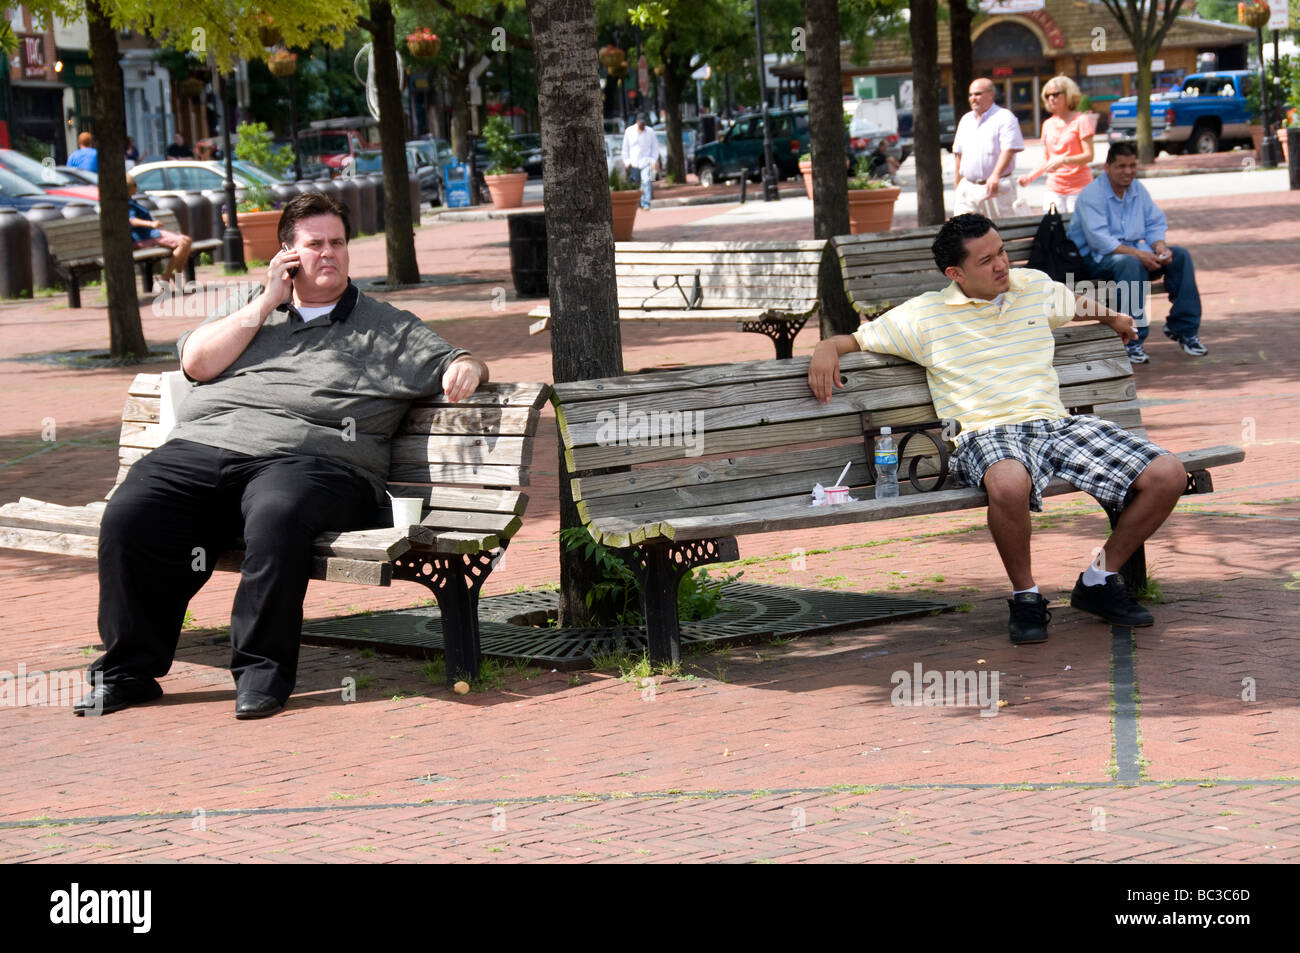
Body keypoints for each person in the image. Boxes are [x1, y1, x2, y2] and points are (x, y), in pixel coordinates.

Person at [75, 192, 488, 720]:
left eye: (337, 243)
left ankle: (261, 675)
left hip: (319, 465)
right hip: (208, 446)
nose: (329, 254)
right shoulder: (252, 309)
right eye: (315, 244)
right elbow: (196, 365)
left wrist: (468, 370)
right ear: (287, 254)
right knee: (134, 511)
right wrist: (265, 302)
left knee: (276, 514)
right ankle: (127, 673)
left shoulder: (385, 327)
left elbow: (461, 357)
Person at [807, 213, 1189, 645]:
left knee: (1168, 473)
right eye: (986, 260)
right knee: (1008, 483)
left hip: (1054, 424)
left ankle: (1099, 580)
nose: (1002, 264)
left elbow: (1072, 303)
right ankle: (1026, 596)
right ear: (956, 273)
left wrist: (1111, 316)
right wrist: (824, 346)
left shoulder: (1034, 288)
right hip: (985, 432)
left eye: (1002, 252)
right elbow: (855, 340)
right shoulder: (925, 317)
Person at [1066, 141, 1207, 365]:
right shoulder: (1091, 194)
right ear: (1107, 167)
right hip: (1094, 261)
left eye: (1132, 165)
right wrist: (1139, 255)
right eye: (1121, 166)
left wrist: (1160, 247)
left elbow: (1154, 223)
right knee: (1128, 263)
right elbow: (1100, 241)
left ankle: (1184, 329)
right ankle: (1133, 339)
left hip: (1132, 256)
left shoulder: (1137, 190)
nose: (1128, 172)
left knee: (1179, 256)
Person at [1017, 75, 1095, 213]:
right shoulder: (1047, 124)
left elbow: (1089, 156)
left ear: (1068, 95)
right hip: (1053, 188)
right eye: (1047, 96)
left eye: (1055, 94)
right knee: (1052, 230)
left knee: (1076, 232)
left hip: (1078, 188)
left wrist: (1064, 160)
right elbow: (1047, 159)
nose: (1051, 98)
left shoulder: (1081, 120)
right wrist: (1029, 177)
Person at [952, 78, 1024, 219]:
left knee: (999, 233)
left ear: (991, 94)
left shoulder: (1004, 118)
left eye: (978, 94)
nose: (973, 98)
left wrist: (995, 175)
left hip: (996, 188)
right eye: (970, 95)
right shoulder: (966, 120)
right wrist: (958, 182)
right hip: (968, 189)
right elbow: (959, 154)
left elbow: (1008, 150)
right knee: (964, 233)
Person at [127, 172, 192, 290]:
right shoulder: (127, 204)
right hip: (144, 237)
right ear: (128, 188)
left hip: (151, 234)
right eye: (134, 185)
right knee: (183, 242)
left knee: (187, 241)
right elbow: (131, 220)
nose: (136, 187)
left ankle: (174, 275)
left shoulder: (131, 201)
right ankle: (167, 276)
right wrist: (151, 224)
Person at [622, 112, 660, 210]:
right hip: (633, 163)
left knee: (646, 182)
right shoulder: (629, 131)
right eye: (641, 123)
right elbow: (625, 149)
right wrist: (627, 162)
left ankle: (646, 204)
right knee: (635, 184)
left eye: (644, 123)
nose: (642, 125)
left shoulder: (650, 132)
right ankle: (638, 204)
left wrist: (653, 161)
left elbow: (655, 148)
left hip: (646, 162)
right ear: (637, 122)